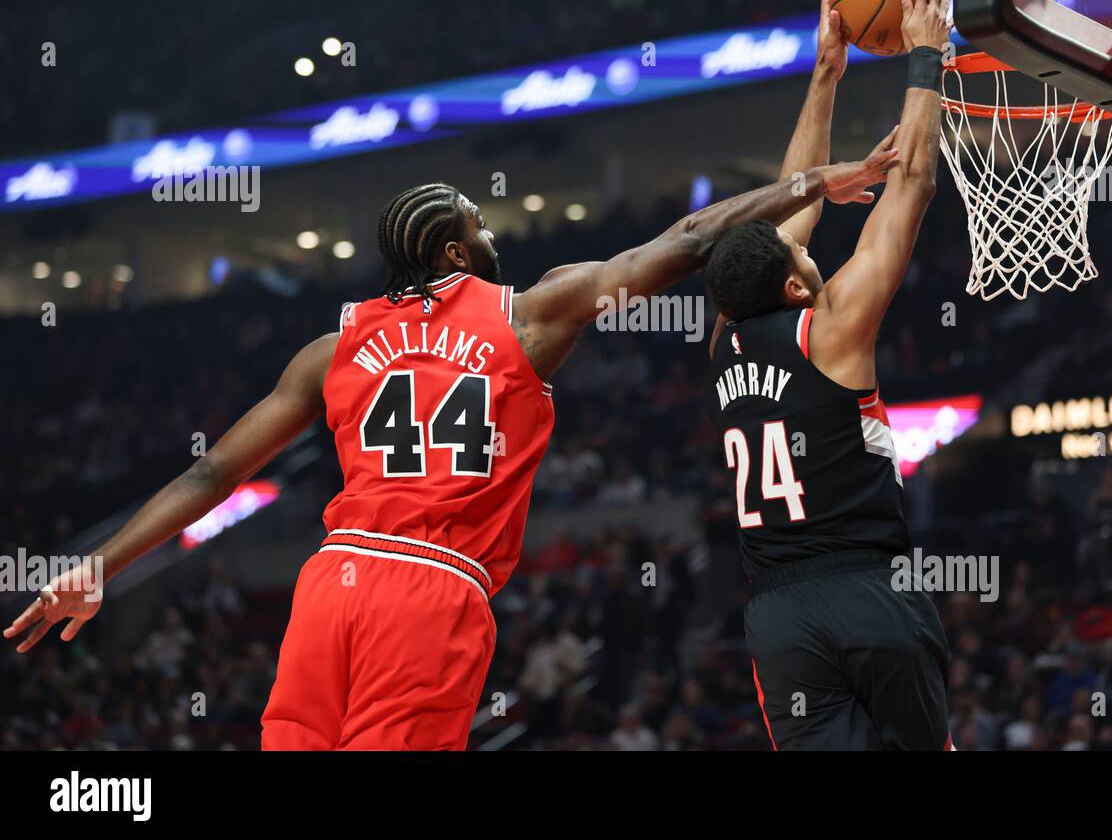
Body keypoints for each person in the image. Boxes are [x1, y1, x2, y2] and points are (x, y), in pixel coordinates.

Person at [6, 125, 900, 752]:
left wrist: (98, 567)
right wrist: (820, 183)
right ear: (451, 253)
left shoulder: (332, 347)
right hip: (429, 590)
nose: (490, 231)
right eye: (477, 223)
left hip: (331, 580)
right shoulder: (531, 315)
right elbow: (693, 237)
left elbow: (212, 474)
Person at [703, 0, 954, 749]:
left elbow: (790, 205)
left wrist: (826, 75)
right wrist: (925, 58)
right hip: (867, 586)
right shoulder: (831, 327)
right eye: (797, 250)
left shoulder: (723, 339)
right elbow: (912, 182)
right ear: (790, 277)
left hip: (778, 618)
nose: (805, 243)